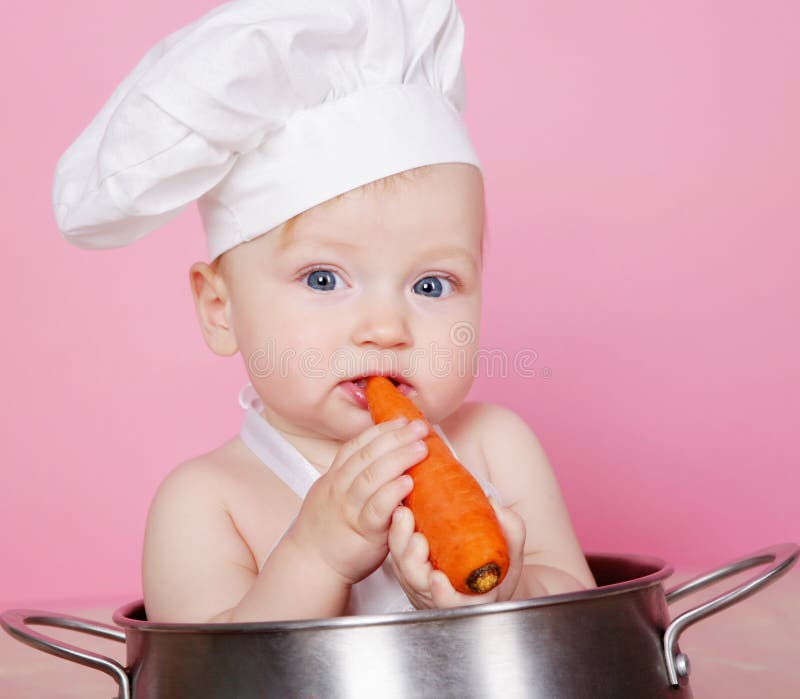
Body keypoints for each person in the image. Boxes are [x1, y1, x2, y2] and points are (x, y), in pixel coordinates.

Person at [53, 0, 595, 623]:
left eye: (431, 286)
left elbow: (586, 618)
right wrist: (317, 556)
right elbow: (211, 675)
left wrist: (510, 590)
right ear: (220, 309)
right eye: (323, 277)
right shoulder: (208, 503)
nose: (386, 329)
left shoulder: (495, 445)